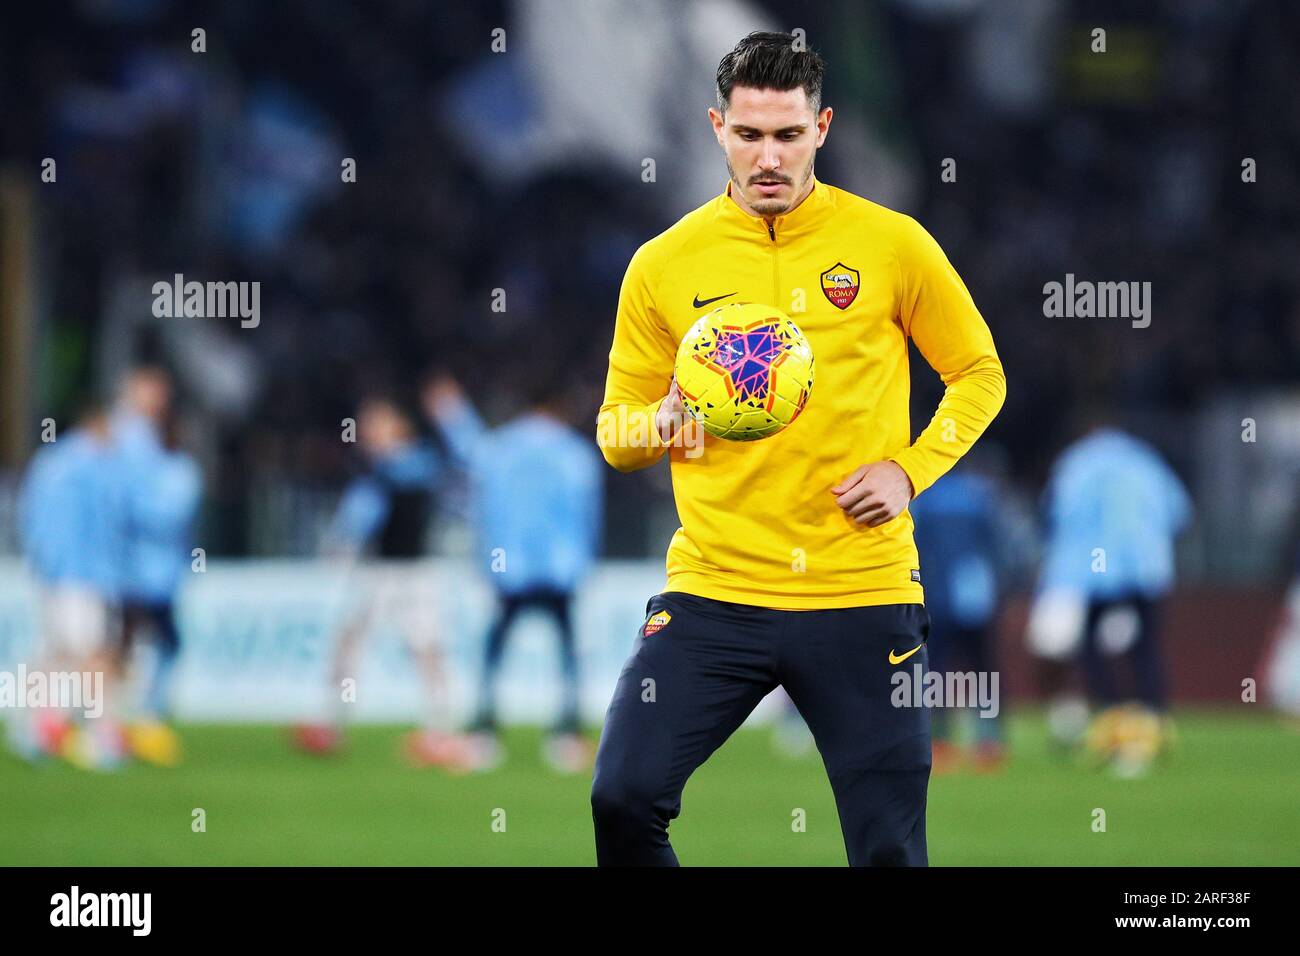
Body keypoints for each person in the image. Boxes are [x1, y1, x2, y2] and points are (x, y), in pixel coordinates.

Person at [590, 32, 1006, 866]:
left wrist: (908, 470)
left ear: (822, 127)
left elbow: (979, 374)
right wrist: (658, 424)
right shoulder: (663, 264)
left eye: (787, 134)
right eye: (749, 135)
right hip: (715, 590)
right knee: (622, 797)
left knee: (888, 849)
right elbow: (615, 433)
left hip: (860, 589)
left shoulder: (893, 244)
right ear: (717, 128)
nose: (769, 156)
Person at [292, 385, 481, 770]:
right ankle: (331, 721)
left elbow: (471, 455)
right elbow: (362, 511)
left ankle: (440, 731)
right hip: (381, 571)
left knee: (427, 649)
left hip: (417, 572)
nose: (367, 431)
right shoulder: (381, 469)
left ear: (398, 425)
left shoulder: (419, 463)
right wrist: (344, 539)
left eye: (376, 423)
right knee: (351, 643)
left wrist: (451, 411)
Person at [1029, 419, 1191, 777]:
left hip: (1091, 572)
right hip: (1146, 568)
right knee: (1146, 650)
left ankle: (1112, 720)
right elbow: (1179, 512)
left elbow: (1055, 515)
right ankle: (1152, 724)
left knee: (1092, 650)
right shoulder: (1146, 461)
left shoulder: (1075, 463)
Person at [466, 374, 603, 773]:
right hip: (561, 566)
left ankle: (484, 731)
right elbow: (587, 512)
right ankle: (566, 734)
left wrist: (486, 560)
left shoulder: (499, 448)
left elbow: (484, 508)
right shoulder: (576, 453)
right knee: (567, 650)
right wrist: (586, 560)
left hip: (511, 566)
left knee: (495, 647)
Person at [13, 403, 129, 770]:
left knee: (55, 654)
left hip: (54, 574)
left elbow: (30, 519)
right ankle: (101, 735)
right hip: (81, 576)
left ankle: (37, 729)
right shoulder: (89, 466)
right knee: (91, 653)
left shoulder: (50, 462)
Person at [112, 368, 201, 767]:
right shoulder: (127, 442)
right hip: (130, 570)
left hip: (149, 572)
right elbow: (149, 512)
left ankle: (128, 723)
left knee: (139, 646)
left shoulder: (156, 452)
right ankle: (124, 724)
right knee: (126, 646)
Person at [910, 464, 1007, 773]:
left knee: (934, 669)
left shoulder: (925, 497)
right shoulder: (978, 496)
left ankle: (938, 743)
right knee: (982, 667)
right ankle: (989, 742)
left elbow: (916, 547)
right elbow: (996, 548)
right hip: (977, 595)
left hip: (936, 595)